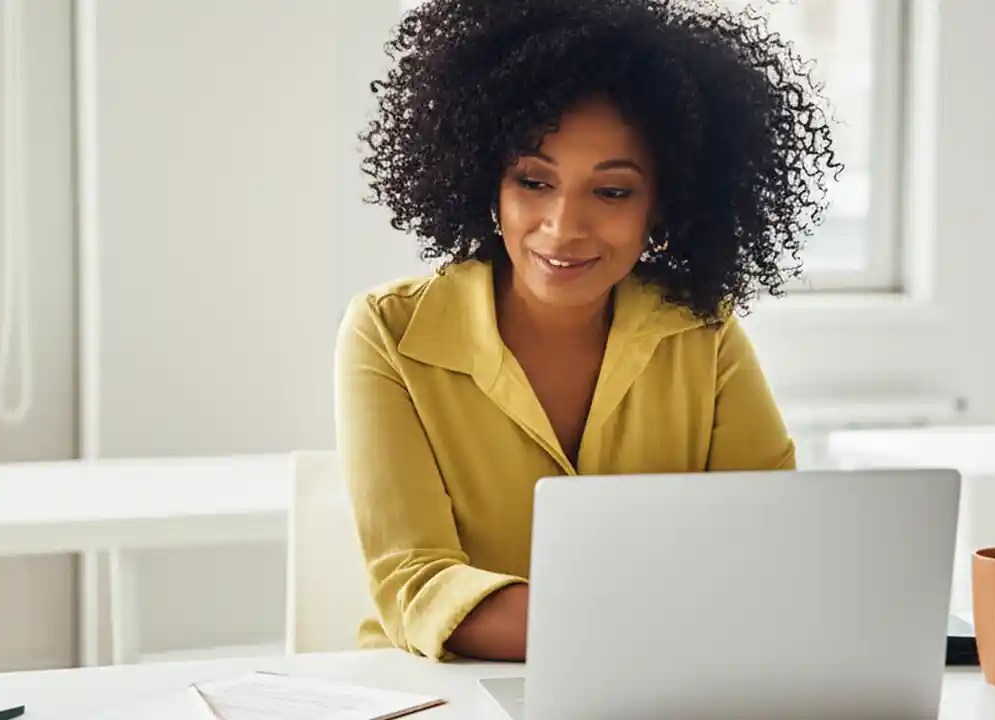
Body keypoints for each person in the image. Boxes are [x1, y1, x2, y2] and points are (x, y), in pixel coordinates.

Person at [335, 0, 839, 662]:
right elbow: (418, 584)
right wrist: (659, 627)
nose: (563, 226)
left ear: (666, 202)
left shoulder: (703, 334)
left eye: (612, 192)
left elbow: (768, 543)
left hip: (662, 689)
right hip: (443, 694)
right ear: (489, 181)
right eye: (534, 181)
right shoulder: (391, 333)